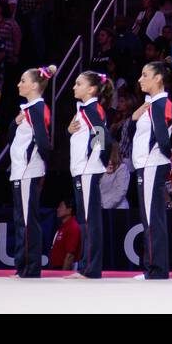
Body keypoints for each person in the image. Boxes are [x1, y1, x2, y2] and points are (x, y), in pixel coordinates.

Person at [8, 65, 54, 279]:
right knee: (21, 219)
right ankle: (23, 266)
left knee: (27, 220)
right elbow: (13, 139)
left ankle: (30, 267)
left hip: (28, 170)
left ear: (35, 85)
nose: (19, 84)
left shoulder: (37, 108)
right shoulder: (28, 110)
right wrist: (14, 123)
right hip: (21, 170)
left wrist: (41, 166)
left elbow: (43, 141)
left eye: (23, 80)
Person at [132, 61, 172, 280]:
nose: (140, 79)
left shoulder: (160, 103)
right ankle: (152, 267)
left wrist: (167, 155)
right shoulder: (151, 104)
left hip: (152, 164)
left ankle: (156, 270)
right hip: (146, 164)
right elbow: (134, 124)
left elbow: (162, 137)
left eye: (145, 75)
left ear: (158, 78)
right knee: (148, 217)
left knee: (152, 218)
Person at [68, 71, 111, 278]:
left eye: (78, 84)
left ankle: (91, 268)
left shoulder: (92, 108)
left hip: (87, 170)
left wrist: (96, 160)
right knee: (85, 219)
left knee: (89, 220)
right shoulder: (83, 110)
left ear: (91, 89)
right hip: (81, 169)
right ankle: (87, 265)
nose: (74, 87)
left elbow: (102, 134)